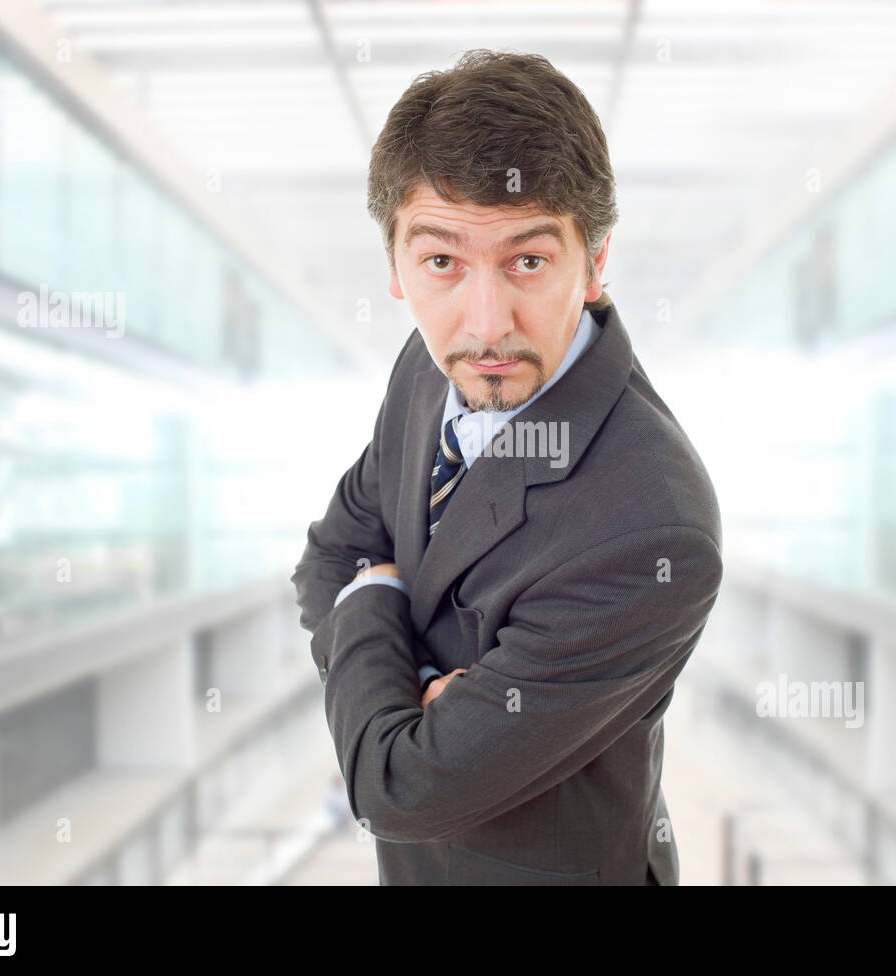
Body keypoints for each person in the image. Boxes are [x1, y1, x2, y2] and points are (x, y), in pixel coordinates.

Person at [290, 49, 723, 885]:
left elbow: (398, 786)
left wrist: (374, 650)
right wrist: (414, 687)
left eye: (528, 261)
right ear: (394, 266)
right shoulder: (428, 367)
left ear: (594, 262)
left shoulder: (650, 527)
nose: (485, 324)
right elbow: (328, 560)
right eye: (442, 262)